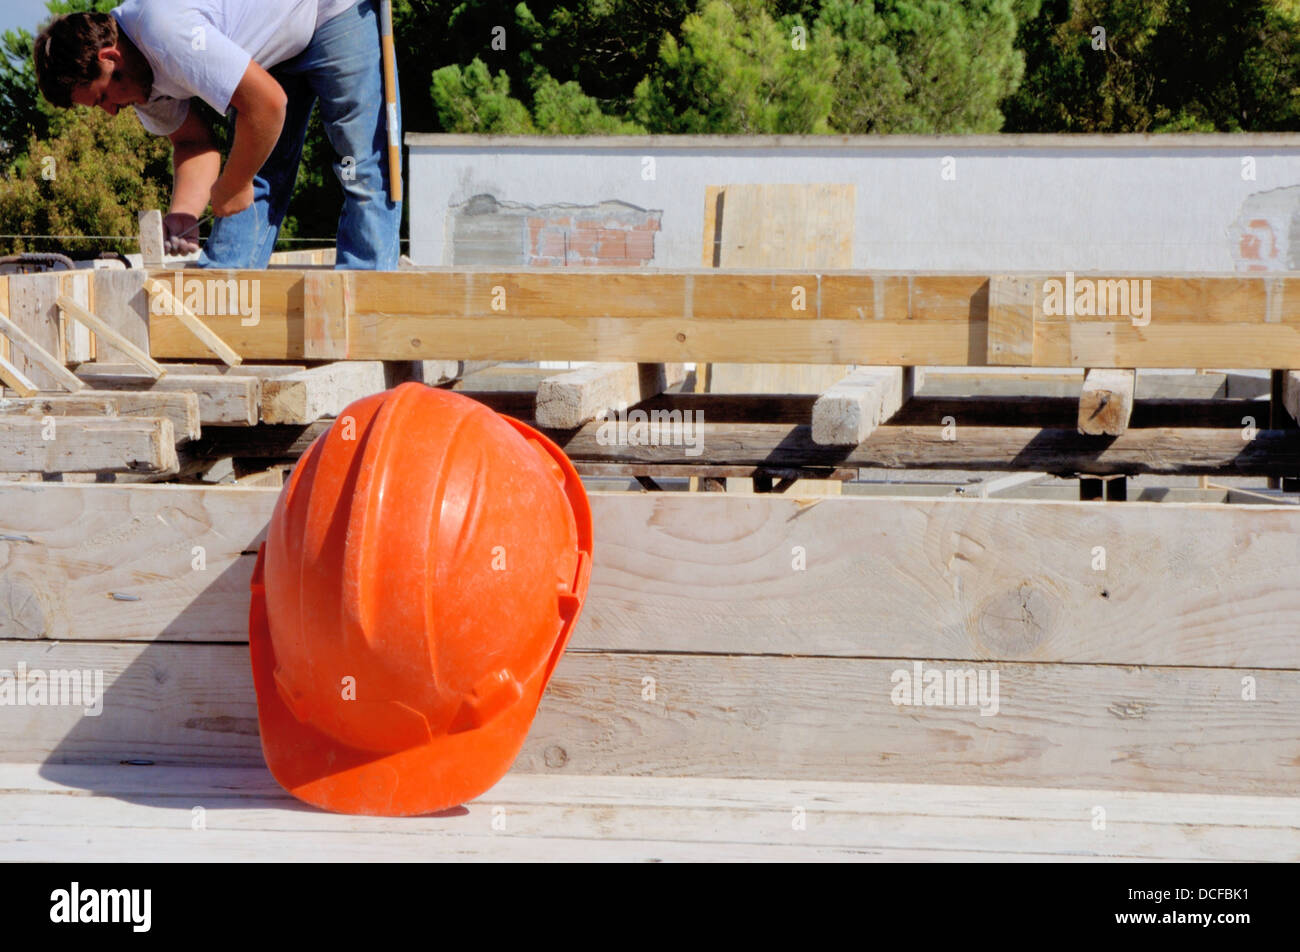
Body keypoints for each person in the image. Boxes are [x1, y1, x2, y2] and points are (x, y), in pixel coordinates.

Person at [33, 1, 401, 270]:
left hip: (333, 13)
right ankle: (226, 297)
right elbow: (193, 142)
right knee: (253, 165)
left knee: (360, 164)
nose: (111, 111)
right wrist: (184, 212)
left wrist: (233, 183)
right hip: (273, 45)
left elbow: (268, 105)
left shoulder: (165, 31)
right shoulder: (133, 82)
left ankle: (364, 298)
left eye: (101, 98)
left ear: (110, 56)